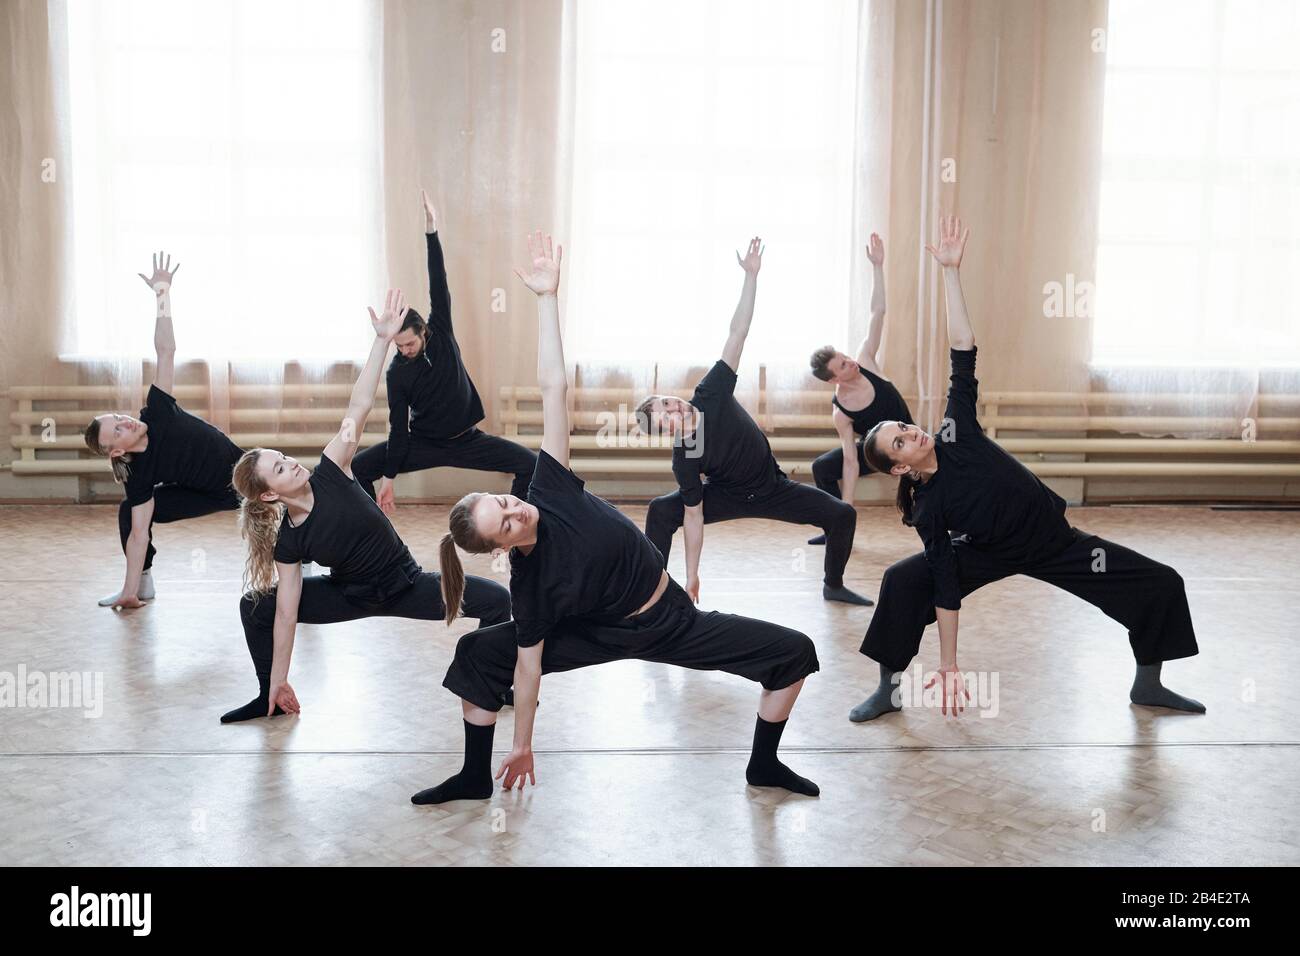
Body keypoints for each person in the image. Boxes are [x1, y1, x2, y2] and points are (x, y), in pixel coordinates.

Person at [414, 232, 821, 805]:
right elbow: (527, 675)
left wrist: (546, 300)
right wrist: (524, 743)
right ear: (502, 548)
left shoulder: (547, 485)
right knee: (481, 653)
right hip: (595, 631)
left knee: (793, 652)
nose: (514, 511)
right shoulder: (530, 587)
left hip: (669, 617)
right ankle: (476, 776)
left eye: (503, 503)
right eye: (504, 524)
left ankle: (763, 765)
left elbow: (552, 388)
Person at [851, 217, 1204, 723]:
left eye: (904, 426)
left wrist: (951, 273)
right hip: (988, 553)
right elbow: (946, 585)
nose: (912, 433)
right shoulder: (929, 505)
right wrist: (949, 664)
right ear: (901, 467)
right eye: (900, 441)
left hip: (1054, 543)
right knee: (904, 581)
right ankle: (888, 687)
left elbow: (963, 352)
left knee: (1161, 582)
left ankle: (1149, 683)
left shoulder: (956, 431)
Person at [221, 288, 512, 724]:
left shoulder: (332, 467)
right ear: (268, 494)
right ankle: (269, 698)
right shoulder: (290, 541)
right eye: (279, 471)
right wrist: (281, 678)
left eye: (283, 458)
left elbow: (358, 405)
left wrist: (380, 341)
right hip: (349, 596)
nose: (291, 465)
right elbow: (286, 612)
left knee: (496, 601)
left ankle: (490, 683)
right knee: (255, 606)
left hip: (407, 586)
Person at [637, 238, 874, 607]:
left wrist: (751, 277)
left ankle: (833, 584)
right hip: (728, 496)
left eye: (667, 402)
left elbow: (737, 334)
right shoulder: (685, 455)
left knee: (841, 514)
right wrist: (692, 575)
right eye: (665, 416)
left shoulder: (710, 392)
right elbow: (695, 516)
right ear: (665, 431)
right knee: (661, 510)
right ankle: (654, 589)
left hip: (773, 488)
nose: (674, 409)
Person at [351, 190, 537, 513]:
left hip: (468, 440)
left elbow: (438, 279)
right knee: (358, 467)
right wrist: (389, 478)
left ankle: (514, 530)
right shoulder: (397, 372)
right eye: (399, 346)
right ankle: (373, 534)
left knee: (531, 464)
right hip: (422, 444)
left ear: (423, 331)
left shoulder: (441, 331)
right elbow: (398, 428)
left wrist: (431, 230)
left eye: (410, 343)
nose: (405, 350)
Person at [84, 252, 243, 610]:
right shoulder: (136, 474)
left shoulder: (157, 410)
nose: (125, 421)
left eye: (118, 417)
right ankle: (140, 585)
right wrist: (126, 592)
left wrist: (162, 294)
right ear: (116, 452)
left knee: (287, 497)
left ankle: (304, 560)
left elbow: (166, 350)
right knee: (131, 512)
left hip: (241, 477)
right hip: (205, 493)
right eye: (117, 430)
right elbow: (139, 534)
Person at [805, 232, 913, 546]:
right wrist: (847, 510)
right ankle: (835, 526)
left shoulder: (866, 359)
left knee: (938, 471)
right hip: (877, 452)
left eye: (845, 358)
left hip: (909, 443)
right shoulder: (841, 412)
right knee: (823, 468)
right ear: (833, 380)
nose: (850, 363)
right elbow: (851, 462)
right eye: (842, 366)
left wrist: (878, 267)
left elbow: (877, 313)